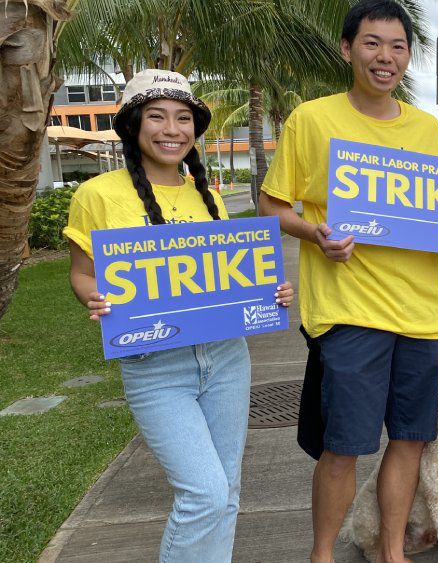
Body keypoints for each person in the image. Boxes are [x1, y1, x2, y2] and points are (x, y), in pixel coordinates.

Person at [64, 69, 294, 562]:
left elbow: (233, 276)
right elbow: (82, 273)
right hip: (155, 366)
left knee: (227, 492)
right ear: (132, 125)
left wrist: (269, 291)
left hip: (227, 359)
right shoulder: (98, 195)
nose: (172, 129)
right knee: (204, 494)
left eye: (183, 118)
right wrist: (93, 298)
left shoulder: (204, 195)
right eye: (157, 116)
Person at [257, 2, 438, 562]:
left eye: (396, 46)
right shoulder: (312, 119)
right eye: (372, 43)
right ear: (347, 49)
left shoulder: (425, 129)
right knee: (342, 447)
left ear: (408, 57)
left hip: (424, 314)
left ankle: (391, 553)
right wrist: (314, 233)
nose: (384, 57)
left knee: (411, 441)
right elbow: (271, 206)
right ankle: (323, 555)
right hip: (349, 313)